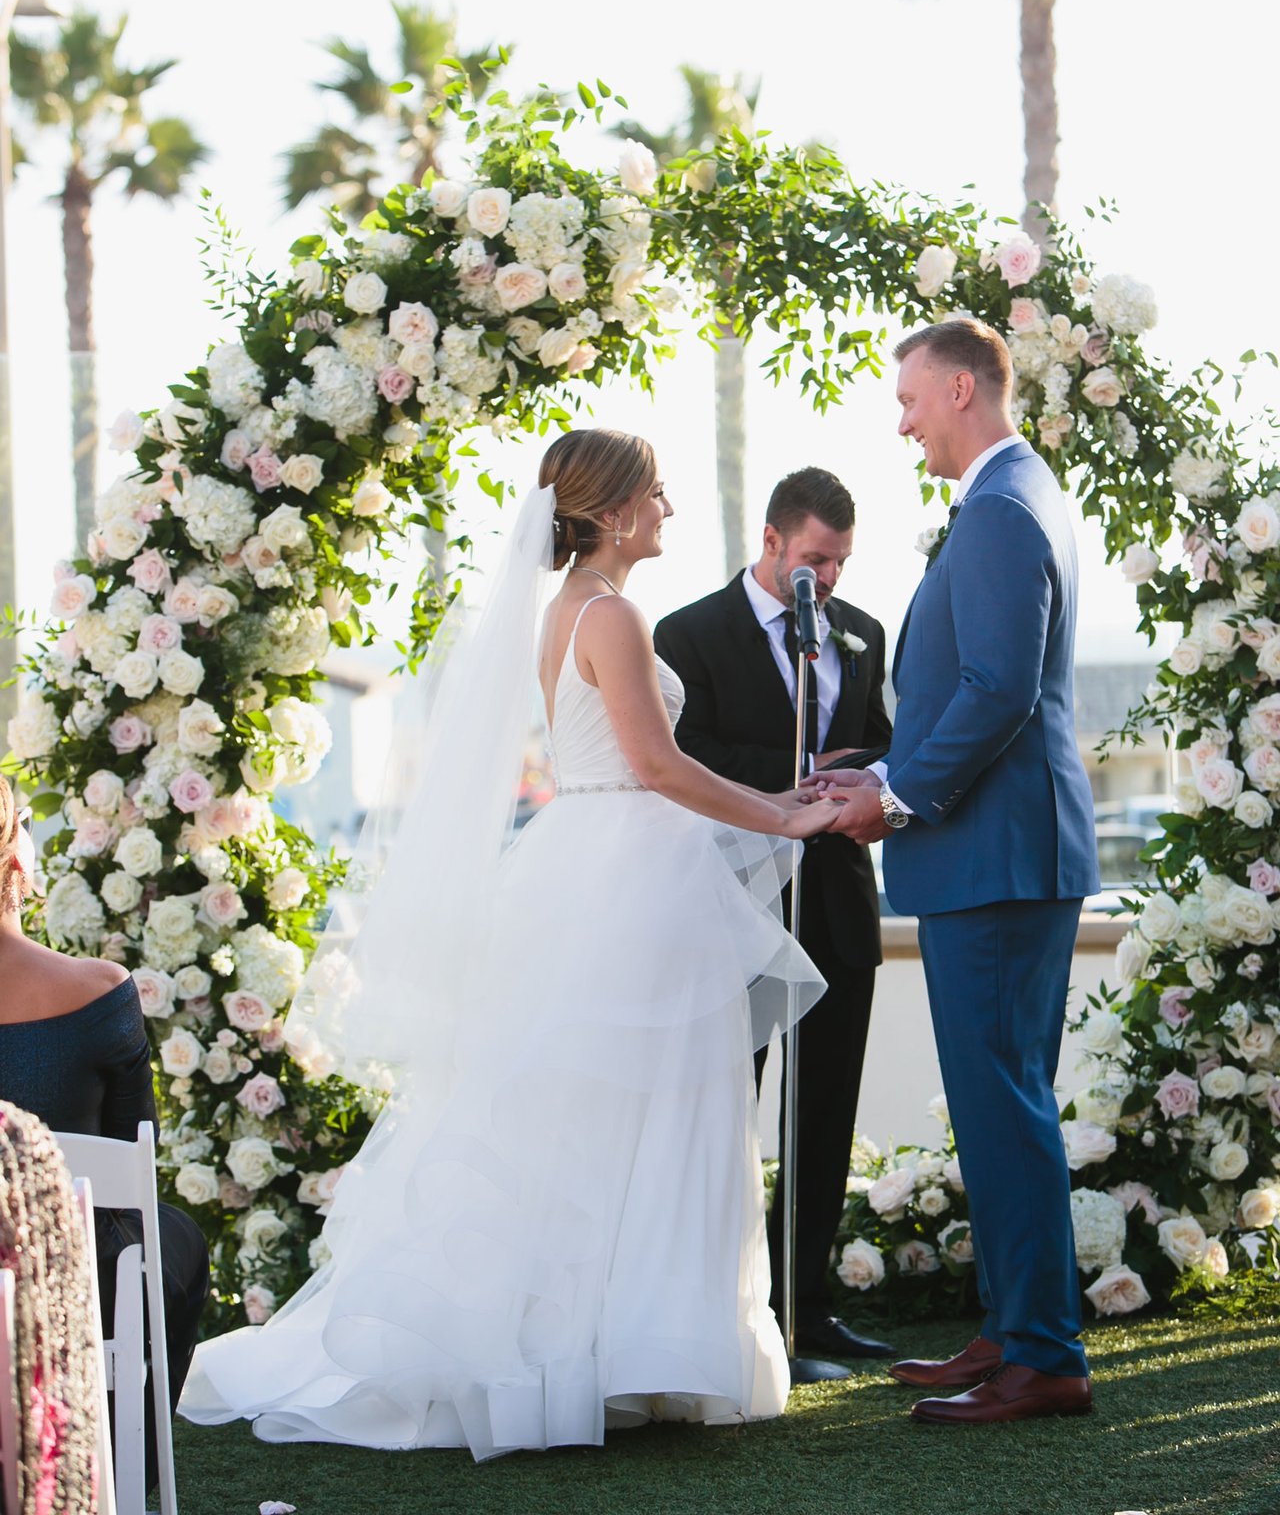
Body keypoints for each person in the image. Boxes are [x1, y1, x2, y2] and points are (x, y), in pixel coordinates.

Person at [181, 429, 840, 1461]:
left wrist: (774, 797)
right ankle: (621, 1352)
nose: (667, 508)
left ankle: (621, 1348)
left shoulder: (567, 610)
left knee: (599, 1112)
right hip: (627, 877)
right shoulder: (612, 613)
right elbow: (656, 768)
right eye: (656, 494)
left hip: (593, 866)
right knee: (642, 1105)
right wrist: (786, 818)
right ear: (616, 511)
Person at [810, 318, 1100, 1425]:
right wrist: (877, 764)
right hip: (997, 852)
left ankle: (1042, 1356)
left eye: (910, 399)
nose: (900, 420)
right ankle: (1011, 1326)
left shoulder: (996, 509)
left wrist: (888, 798)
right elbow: (968, 696)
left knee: (1001, 1102)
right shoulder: (1016, 497)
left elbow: (994, 691)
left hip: (991, 859)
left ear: (964, 388)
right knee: (996, 1101)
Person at [653, 468, 894, 1363]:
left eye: (837, 563)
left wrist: (854, 765)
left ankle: (808, 1307)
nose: (827, 579)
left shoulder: (864, 634)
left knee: (827, 1108)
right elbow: (684, 752)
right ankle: (724, 1308)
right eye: (815, 560)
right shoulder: (687, 633)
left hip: (836, 899)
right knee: (730, 1102)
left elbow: (888, 743)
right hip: (731, 903)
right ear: (771, 543)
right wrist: (791, 779)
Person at [0, 773, 211, 1489]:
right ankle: (107, 1468)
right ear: (17, 861)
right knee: (174, 1236)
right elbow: (132, 1168)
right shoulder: (99, 991)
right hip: (69, 1270)